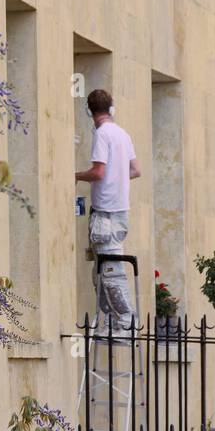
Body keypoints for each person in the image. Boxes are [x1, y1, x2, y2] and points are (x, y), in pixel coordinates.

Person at [75, 88, 141, 330]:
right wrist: (118, 178)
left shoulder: (102, 134)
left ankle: (126, 321)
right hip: (120, 212)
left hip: (106, 213)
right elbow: (135, 170)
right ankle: (112, 321)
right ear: (111, 108)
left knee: (111, 272)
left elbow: (98, 172)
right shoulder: (123, 134)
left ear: (89, 112)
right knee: (101, 273)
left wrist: (76, 176)